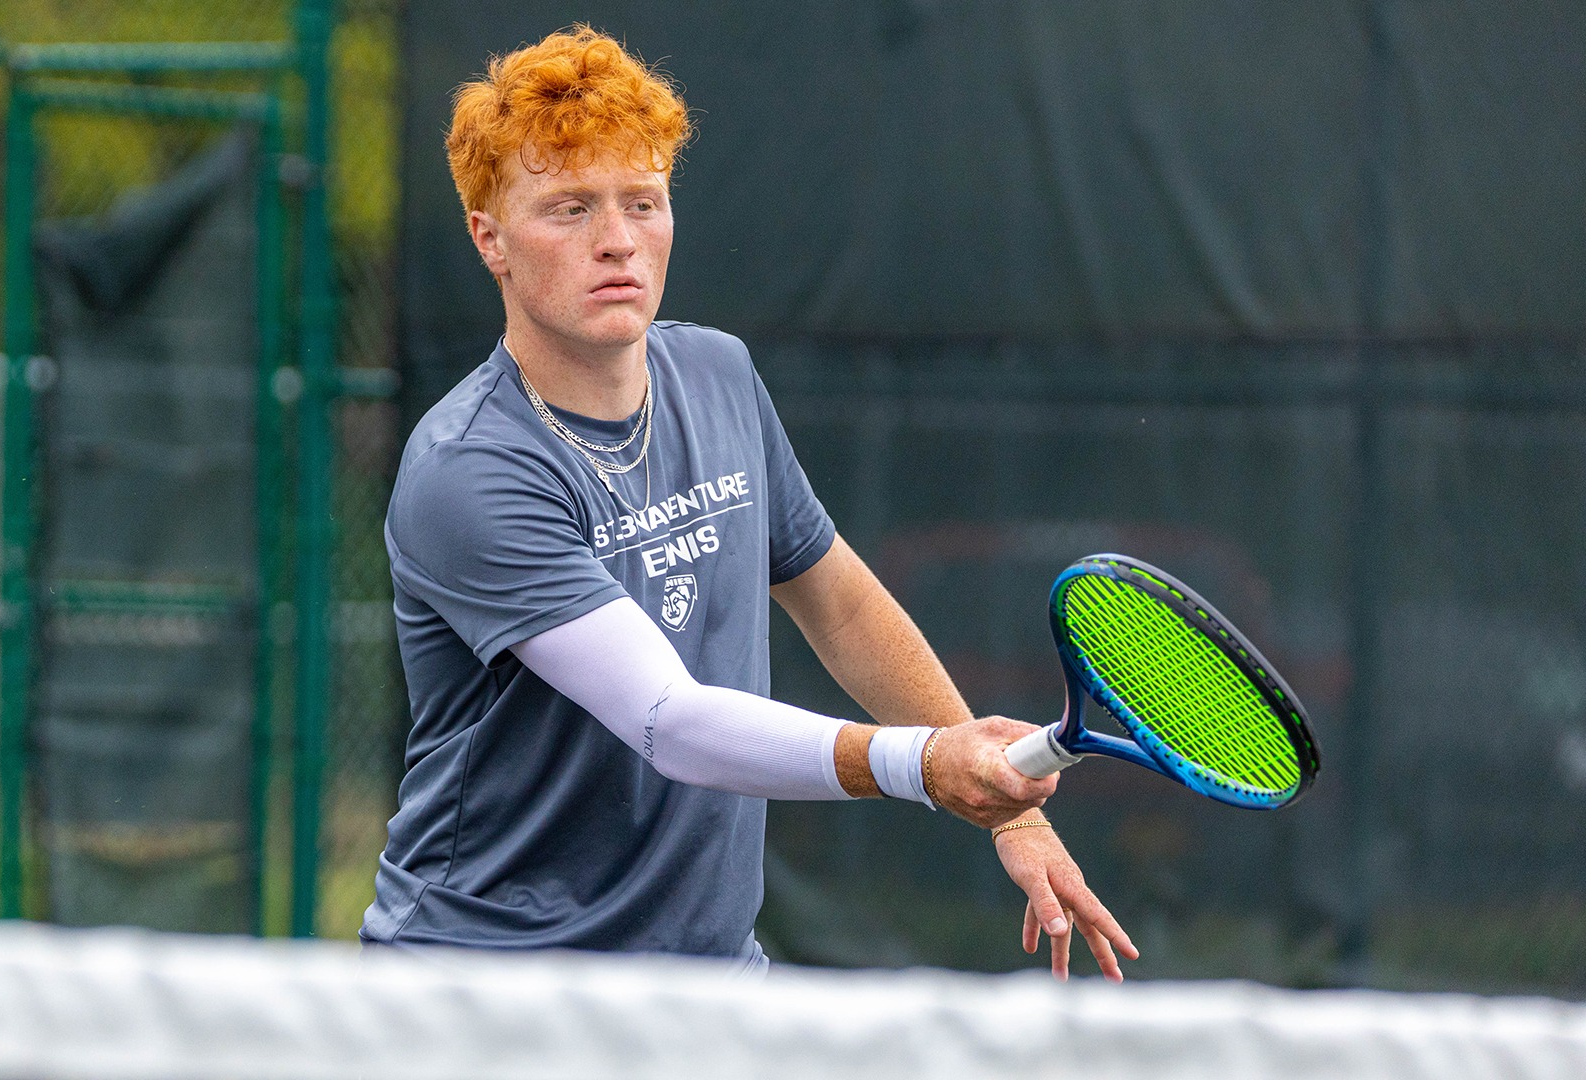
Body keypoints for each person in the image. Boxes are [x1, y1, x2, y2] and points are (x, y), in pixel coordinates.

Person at [361, 25, 1136, 980]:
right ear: (491, 240)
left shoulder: (718, 375)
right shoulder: (472, 467)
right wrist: (923, 763)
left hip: (710, 977)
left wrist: (1013, 817)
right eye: (569, 209)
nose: (617, 240)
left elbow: (838, 601)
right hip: (488, 986)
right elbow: (670, 722)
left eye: (642, 202)